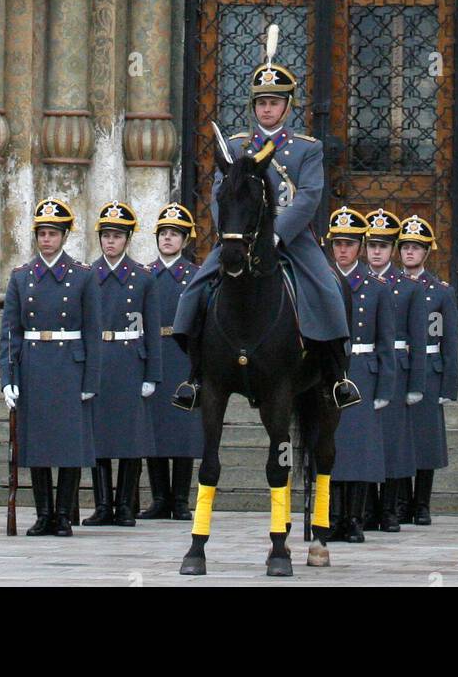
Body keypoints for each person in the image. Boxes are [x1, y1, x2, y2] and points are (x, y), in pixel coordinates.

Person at [172, 37, 358, 413]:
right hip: (242, 238)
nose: (266, 109)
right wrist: (234, 233)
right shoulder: (238, 146)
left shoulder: (307, 148)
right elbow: (219, 193)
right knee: (196, 288)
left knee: (328, 290)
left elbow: (308, 196)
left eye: (273, 102)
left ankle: (337, 376)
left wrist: (276, 234)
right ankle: (194, 374)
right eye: (261, 102)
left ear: (287, 106)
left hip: (291, 239)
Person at [0, 198, 102, 537]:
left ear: (64, 236)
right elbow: (10, 332)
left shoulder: (83, 276)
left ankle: (63, 515)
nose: (46, 240)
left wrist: (91, 378)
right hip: (34, 365)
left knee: (69, 445)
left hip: (70, 364)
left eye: (53, 233)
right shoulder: (21, 277)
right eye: (42, 233)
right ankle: (43, 513)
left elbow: (92, 331)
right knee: (37, 444)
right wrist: (7, 378)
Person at [83, 200, 161, 527]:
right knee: (98, 436)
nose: (110, 242)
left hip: (130, 360)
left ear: (128, 239)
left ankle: (126, 505)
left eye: (117, 236)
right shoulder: (87, 276)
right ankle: (103, 505)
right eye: (106, 236)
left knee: (131, 438)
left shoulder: (143, 279)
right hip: (100, 358)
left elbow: (152, 330)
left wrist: (152, 374)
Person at [326, 206, 395, 542]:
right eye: (338, 243)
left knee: (360, 451)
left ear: (361, 246)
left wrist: (385, 387)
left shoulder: (376, 287)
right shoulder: (322, 281)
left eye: (350, 243)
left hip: (363, 372)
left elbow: (386, 341)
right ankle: (333, 517)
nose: (343, 249)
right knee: (332, 448)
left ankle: (355, 518)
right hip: (329, 372)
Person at [362, 208, 428, 532]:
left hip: (396, 370)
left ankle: (389, 509)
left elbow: (419, 338)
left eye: (384, 246)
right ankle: (364, 508)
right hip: (364, 369)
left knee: (392, 443)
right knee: (365, 442)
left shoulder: (409, 287)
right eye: (372, 245)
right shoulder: (356, 283)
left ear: (393, 249)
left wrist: (417, 383)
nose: (377, 251)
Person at [140, 203, 203, 520]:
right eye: (163, 233)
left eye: (174, 234)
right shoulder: (145, 274)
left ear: (185, 240)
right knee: (154, 429)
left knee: (183, 429)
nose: (167, 239)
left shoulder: (194, 276)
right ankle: (159, 497)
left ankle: (180, 499)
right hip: (153, 353)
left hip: (183, 354)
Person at [398, 215, 458, 525]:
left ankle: (421, 503)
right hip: (402, 366)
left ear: (427, 252)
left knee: (425, 440)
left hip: (429, 371)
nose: (410, 253)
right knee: (400, 437)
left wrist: (449, 384)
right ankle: (400, 500)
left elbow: (450, 341)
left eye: (416, 248)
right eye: (406, 247)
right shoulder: (391, 287)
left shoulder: (440, 291)